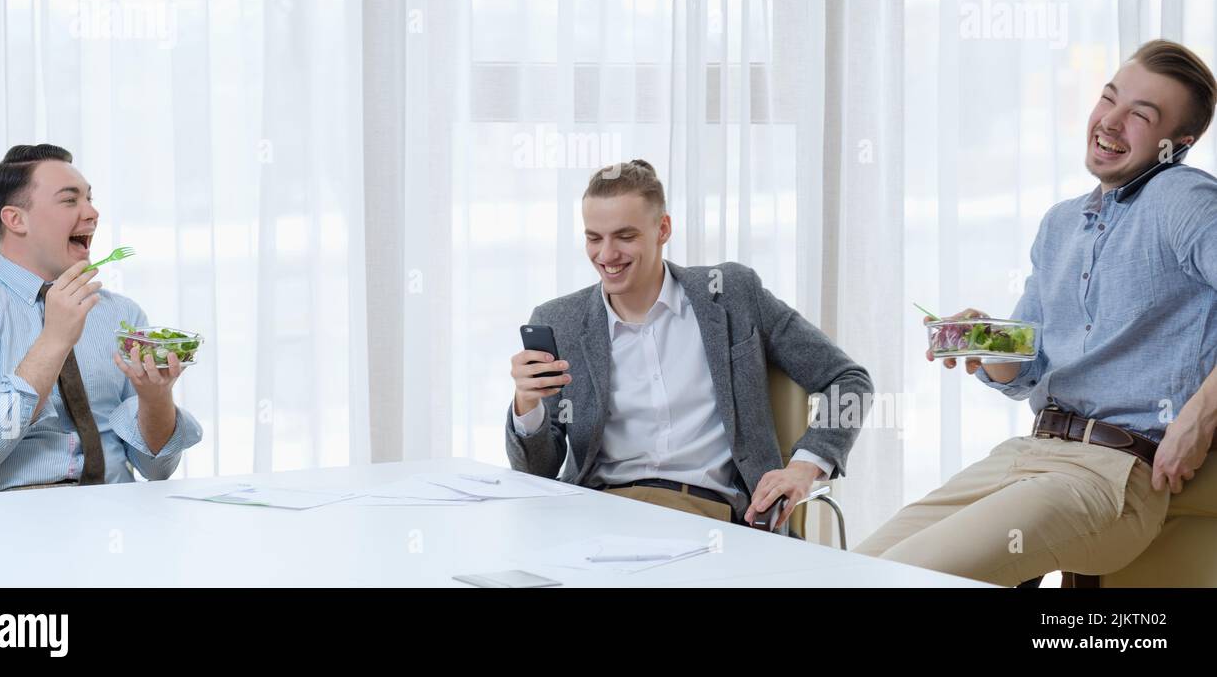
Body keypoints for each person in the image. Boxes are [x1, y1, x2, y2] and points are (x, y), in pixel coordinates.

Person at [855, 40, 1217, 585]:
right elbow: (1027, 370)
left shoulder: (1181, 198)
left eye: (1140, 116)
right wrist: (989, 341)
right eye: (1108, 99)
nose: (1110, 123)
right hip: (1028, 453)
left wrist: (1201, 414)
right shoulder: (1062, 224)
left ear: (1178, 144)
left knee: (905, 577)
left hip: (1110, 477)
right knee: (844, 568)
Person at [506, 159, 874, 528]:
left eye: (625, 236)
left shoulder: (732, 295)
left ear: (662, 228)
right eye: (593, 238)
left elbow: (849, 382)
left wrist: (804, 466)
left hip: (711, 515)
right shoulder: (561, 321)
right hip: (598, 512)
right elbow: (536, 471)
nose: (606, 255)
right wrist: (528, 403)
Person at [0, 144, 202, 494]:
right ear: (15, 219)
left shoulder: (121, 314)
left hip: (112, 512)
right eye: (70, 201)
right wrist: (54, 340)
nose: (92, 212)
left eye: (89, 198)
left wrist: (155, 398)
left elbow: (156, 468)